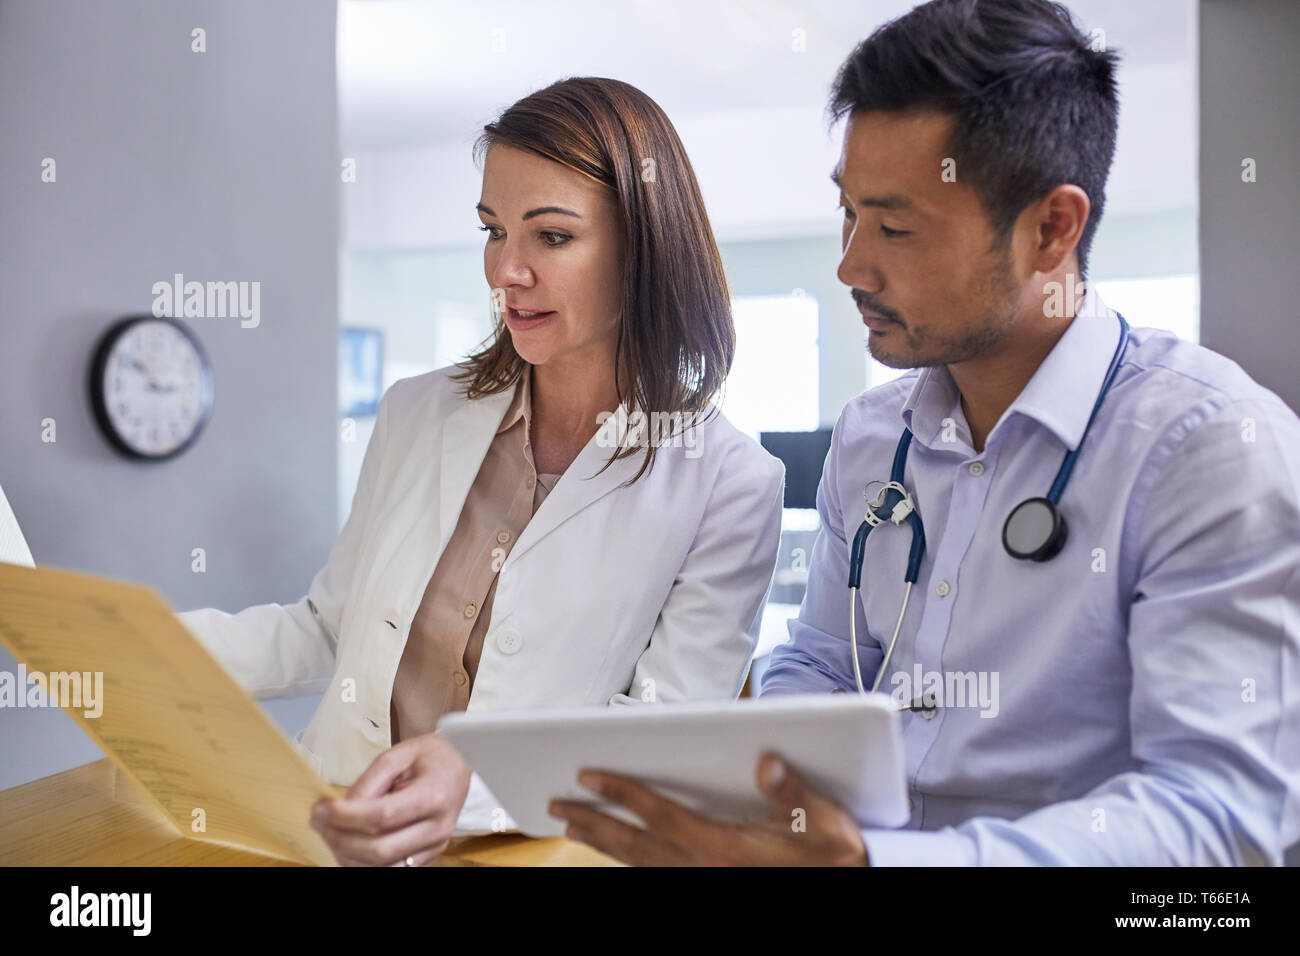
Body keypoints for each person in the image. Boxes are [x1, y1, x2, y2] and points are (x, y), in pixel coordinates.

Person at [550, 0, 1300, 865]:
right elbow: (821, 666)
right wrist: (767, 803)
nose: (850, 265)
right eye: (850, 213)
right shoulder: (874, 437)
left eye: (897, 228)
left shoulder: (1212, 451)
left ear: (1052, 228)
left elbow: (1219, 818)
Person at [179, 77, 785, 866]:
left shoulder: (729, 483)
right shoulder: (416, 413)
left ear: (645, 247)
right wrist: (124, 649)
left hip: (523, 851)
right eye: (493, 230)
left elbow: (661, 741)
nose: (506, 270)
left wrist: (475, 780)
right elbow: (326, 629)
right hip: (330, 830)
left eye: (552, 237)